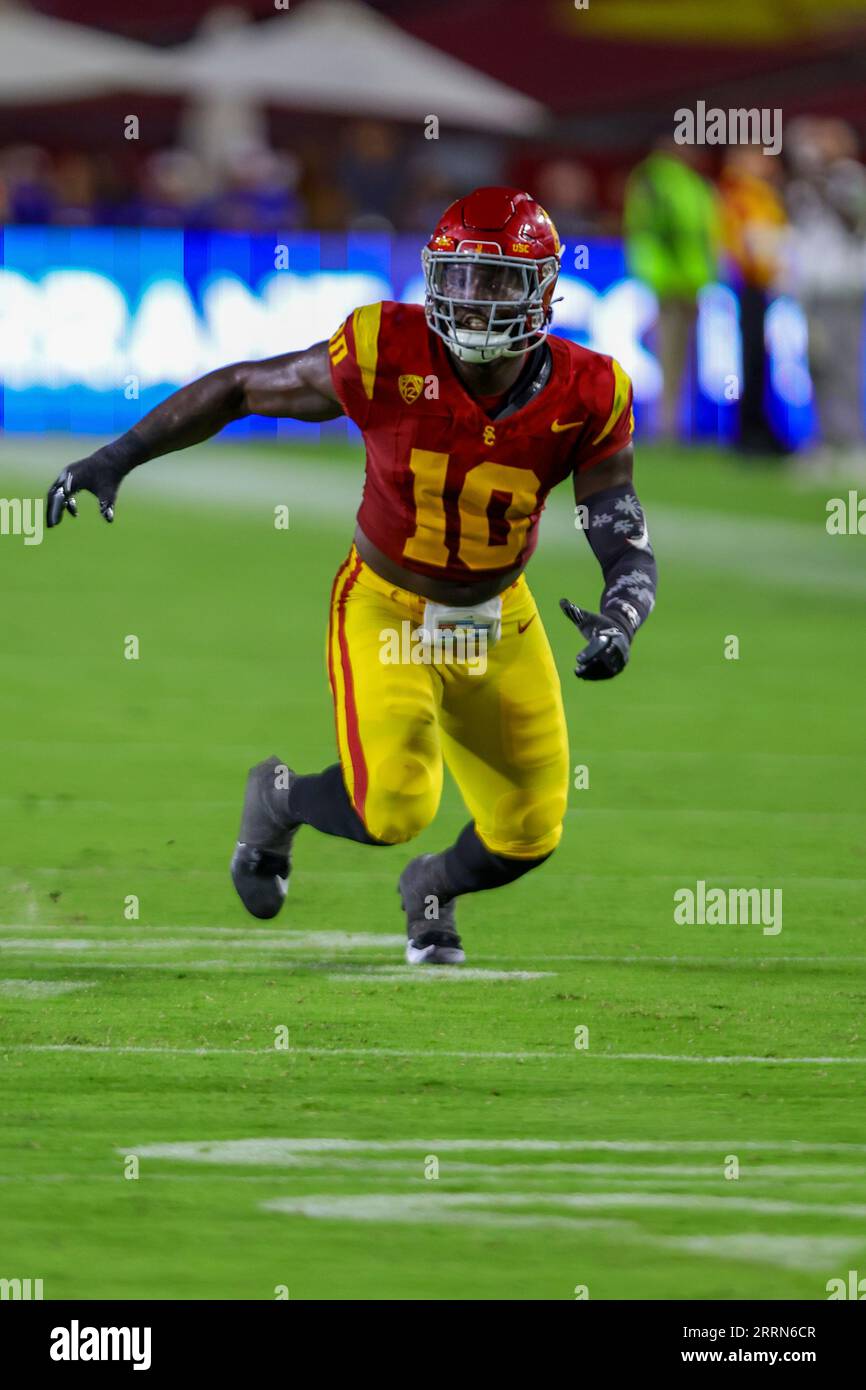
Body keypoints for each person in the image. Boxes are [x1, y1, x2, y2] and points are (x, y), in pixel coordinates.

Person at [45, 187, 657, 966]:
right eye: (461, 278)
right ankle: (278, 801)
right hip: (389, 607)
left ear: (541, 290)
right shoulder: (386, 347)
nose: (473, 302)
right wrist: (116, 455)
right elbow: (242, 388)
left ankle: (431, 889)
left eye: (497, 281)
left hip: (497, 616)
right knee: (394, 803)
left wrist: (623, 615)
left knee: (529, 831)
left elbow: (618, 525)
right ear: (434, 278)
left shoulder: (592, 390)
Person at [624, 140, 720, 440]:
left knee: (684, 356)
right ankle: (665, 426)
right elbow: (654, 229)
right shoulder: (656, 180)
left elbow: (706, 234)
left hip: (691, 281)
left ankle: (680, 423)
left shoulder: (691, 182)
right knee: (667, 353)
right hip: (666, 281)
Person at [785, 118, 866, 469]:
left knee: (844, 365)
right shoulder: (804, 185)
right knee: (818, 366)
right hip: (813, 288)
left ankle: (851, 443)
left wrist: (822, 182)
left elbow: (853, 221)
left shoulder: (850, 177)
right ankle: (826, 441)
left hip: (843, 286)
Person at [718, 147, 788, 454]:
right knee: (750, 356)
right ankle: (749, 430)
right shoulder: (742, 195)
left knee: (760, 355)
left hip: (762, 285)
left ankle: (759, 426)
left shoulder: (762, 195)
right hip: (749, 284)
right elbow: (742, 242)